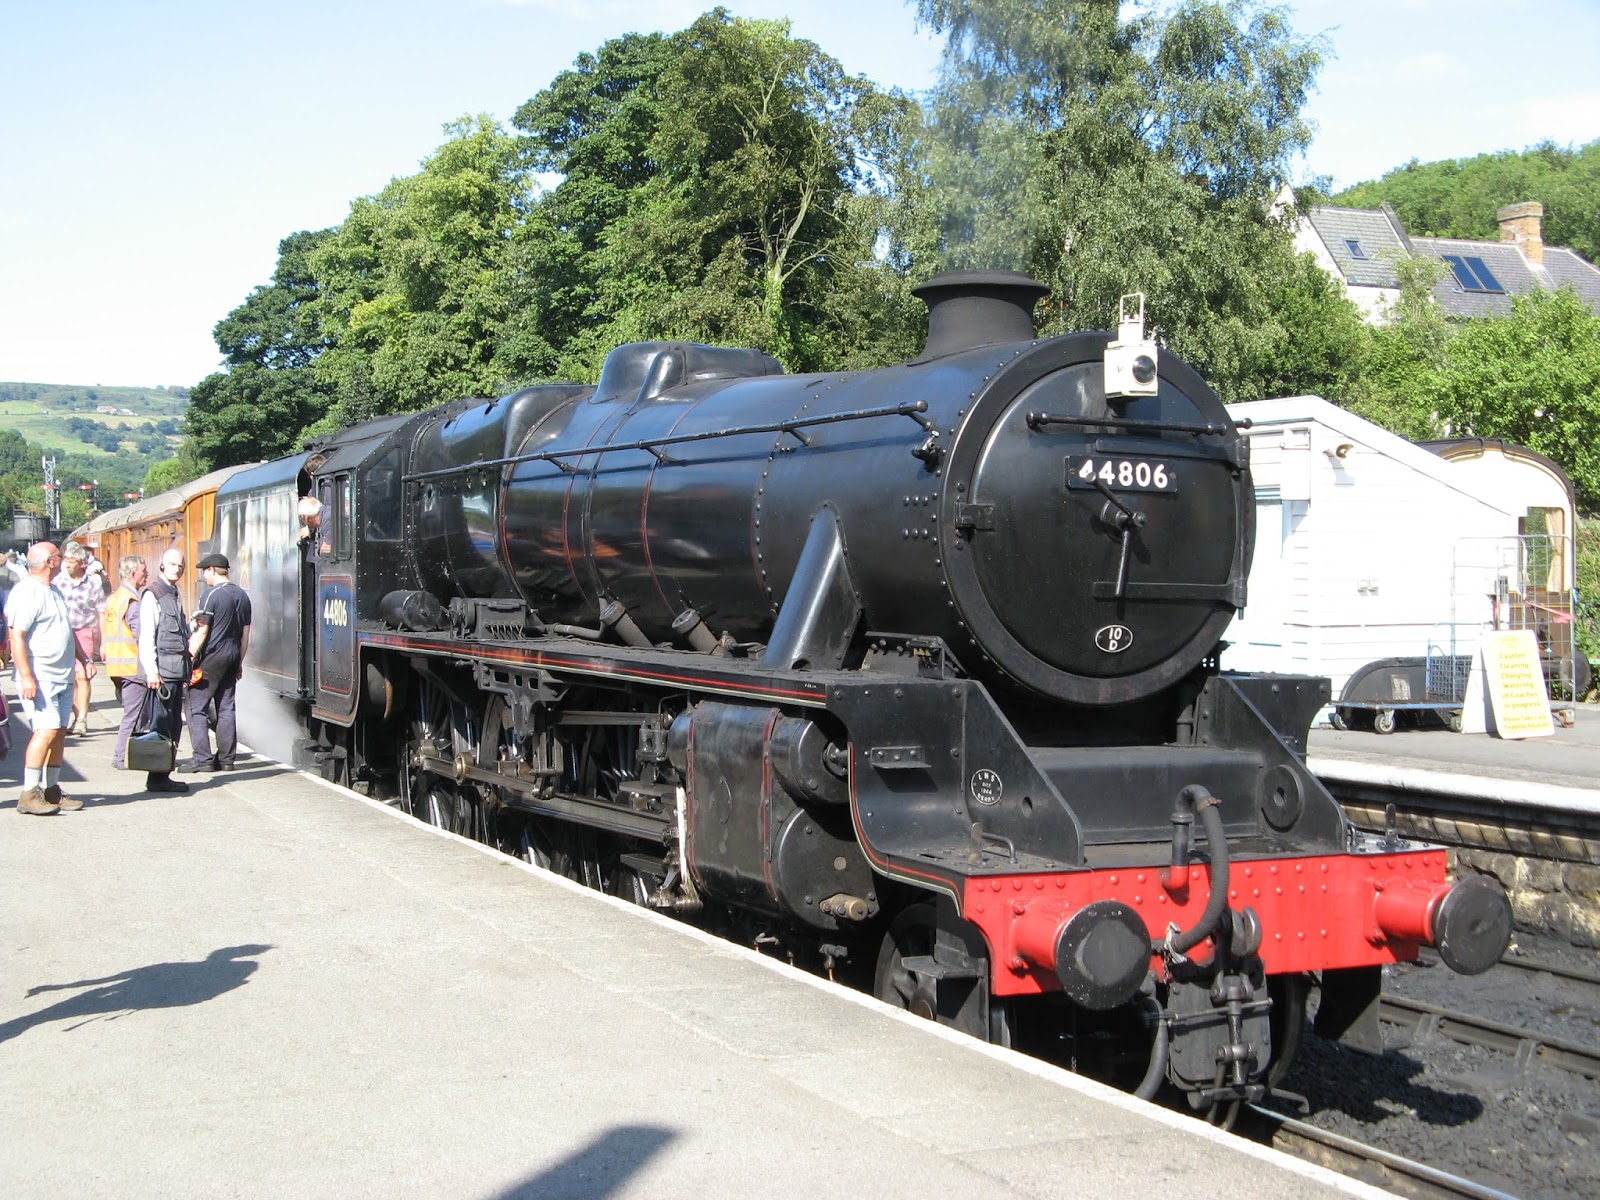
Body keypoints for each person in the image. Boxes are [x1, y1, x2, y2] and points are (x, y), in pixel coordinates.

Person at [5, 542, 94, 815]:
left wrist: (83, 658)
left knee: (58, 732)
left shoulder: (52, 589)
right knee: (45, 731)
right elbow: (16, 636)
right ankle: (29, 793)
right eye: (59, 555)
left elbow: (66, 630)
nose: (64, 559)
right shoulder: (27, 593)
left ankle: (51, 789)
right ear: (49, 562)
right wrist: (26, 676)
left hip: (61, 674)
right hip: (40, 676)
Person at [184, 553, 252, 771]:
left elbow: (202, 630)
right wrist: (239, 662)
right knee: (226, 708)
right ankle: (226, 760)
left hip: (211, 658)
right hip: (232, 655)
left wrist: (190, 656)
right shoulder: (242, 596)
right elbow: (246, 634)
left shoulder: (210, 596)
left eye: (205, 571)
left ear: (212, 569)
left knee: (195, 707)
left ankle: (202, 759)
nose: (204, 576)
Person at [136, 548, 191, 794]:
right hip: (163, 674)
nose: (177, 569)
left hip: (175, 671)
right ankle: (157, 778)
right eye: (172, 564)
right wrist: (151, 671)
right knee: (161, 726)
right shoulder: (154, 595)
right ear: (162, 565)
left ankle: (163, 774)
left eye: (180, 565)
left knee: (172, 725)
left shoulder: (172, 593)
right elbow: (146, 635)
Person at [53, 542, 105, 736]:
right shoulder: (58, 581)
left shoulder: (93, 584)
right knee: (69, 677)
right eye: (65, 560)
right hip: (62, 632)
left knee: (82, 675)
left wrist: (104, 641)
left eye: (71, 561)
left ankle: (82, 719)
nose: (67, 565)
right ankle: (71, 715)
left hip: (84, 631)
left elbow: (101, 612)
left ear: (83, 564)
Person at [103, 554, 149, 770]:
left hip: (116, 664)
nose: (147, 574)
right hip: (131, 664)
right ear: (133, 574)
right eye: (143, 571)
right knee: (133, 714)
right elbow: (141, 634)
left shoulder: (114, 598)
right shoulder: (132, 601)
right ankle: (121, 757)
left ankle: (134, 754)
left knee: (135, 713)